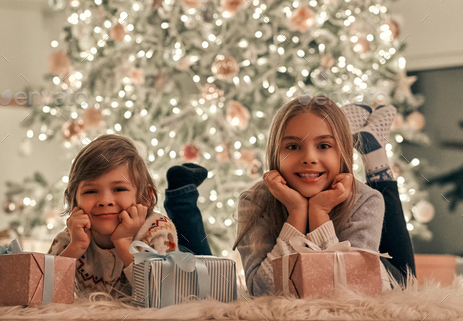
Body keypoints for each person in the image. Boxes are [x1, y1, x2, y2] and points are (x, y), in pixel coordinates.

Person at [233, 96, 416, 296]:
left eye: (324, 145)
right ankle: (346, 132)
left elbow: (352, 288)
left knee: (408, 283)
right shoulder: (253, 202)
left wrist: (319, 214)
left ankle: (375, 155)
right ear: (275, 154)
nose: (309, 158)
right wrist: (297, 213)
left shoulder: (365, 199)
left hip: (385, 275)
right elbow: (261, 291)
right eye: (293, 147)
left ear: (342, 152)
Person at [47, 134, 211, 298]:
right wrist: (76, 247)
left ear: (146, 195)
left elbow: (162, 295)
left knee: (204, 263)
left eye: (119, 189)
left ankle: (181, 196)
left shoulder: (157, 230)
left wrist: (124, 242)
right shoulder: (70, 239)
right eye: (90, 191)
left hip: (176, 258)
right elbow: (41, 291)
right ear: (74, 201)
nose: (105, 201)